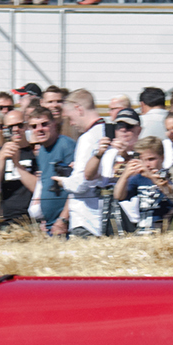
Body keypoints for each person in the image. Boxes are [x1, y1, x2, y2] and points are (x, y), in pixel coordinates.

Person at [57, 90, 107, 237]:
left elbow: (80, 183)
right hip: (104, 217)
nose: (71, 123)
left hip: (86, 221)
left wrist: (63, 181)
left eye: (70, 118)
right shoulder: (109, 132)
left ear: (79, 109)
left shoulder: (87, 138)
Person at [113, 136, 173, 235]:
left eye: (151, 159)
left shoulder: (168, 175)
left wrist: (152, 177)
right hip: (143, 229)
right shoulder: (139, 178)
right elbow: (118, 196)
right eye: (143, 160)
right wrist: (125, 175)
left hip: (164, 230)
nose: (147, 164)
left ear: (162, 158)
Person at [28, 107, 75, 235]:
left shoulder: (66, 146)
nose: (39, 129)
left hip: (65, 226)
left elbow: (75, 189)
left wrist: (63, 219)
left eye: (44, 124)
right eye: (34, 126)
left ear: (54, 124)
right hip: (50, 226)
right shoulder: (42, 151)